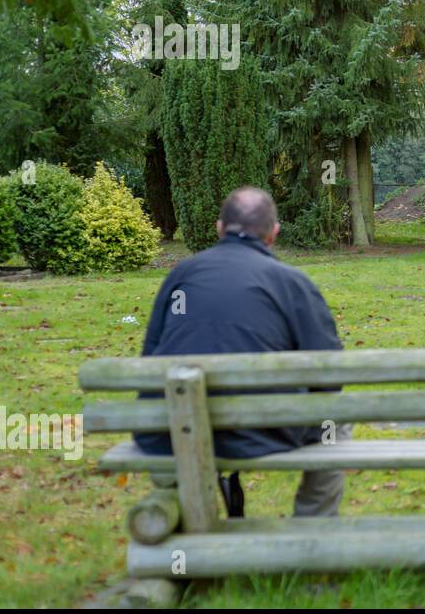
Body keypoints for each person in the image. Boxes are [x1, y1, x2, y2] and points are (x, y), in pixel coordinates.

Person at [133, 186, 349, 517]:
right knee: (338, 422)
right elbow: (329, 374)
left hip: (175, 432)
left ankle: (182, 520)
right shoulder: (291, 282)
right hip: (262, 432)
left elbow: (150, 363)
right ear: (273, 234)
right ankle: (313, 528)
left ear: (220, 229)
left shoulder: (182, 275)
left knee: (171, 426)